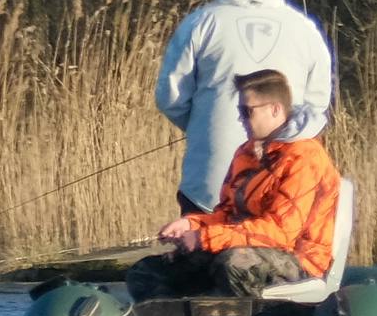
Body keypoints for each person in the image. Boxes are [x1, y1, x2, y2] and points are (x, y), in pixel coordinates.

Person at [156, 0, 336, 216]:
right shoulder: (306, 30)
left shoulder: (201, 23)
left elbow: (170, 97)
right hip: (280, 189)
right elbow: (315, 109)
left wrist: (204, 125)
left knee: (201, 257)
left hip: (206, 187)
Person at [145, 68, 343, 295]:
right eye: (239, 110)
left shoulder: (305, 158)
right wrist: (192, 225)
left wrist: (204, 238)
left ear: (275, 110)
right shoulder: (247, 152)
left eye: (246, 111)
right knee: (150, 273)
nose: (240, 118)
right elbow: (228, 214)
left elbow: (280, 233)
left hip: (300, 259)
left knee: (233, 266)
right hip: (248, 246)